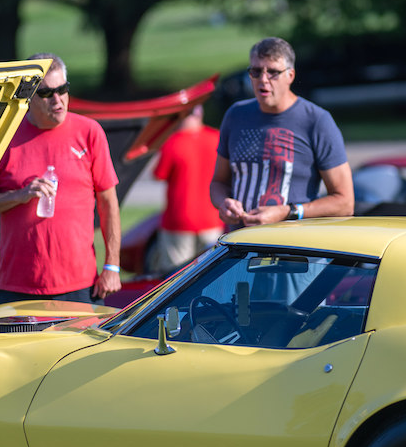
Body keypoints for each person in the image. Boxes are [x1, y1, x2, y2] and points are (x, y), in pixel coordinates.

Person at [0, 54, 122, 305]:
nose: (57, 99)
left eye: (62, 89)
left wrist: (112, 266)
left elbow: (109, 204)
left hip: (82, 285)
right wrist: (20, 195)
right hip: (18, 287)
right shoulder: (3, 138)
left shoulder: (90, 132)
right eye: (46, 93)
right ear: (29, 97)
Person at [211, 37, 353, 228]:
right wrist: (224, 203)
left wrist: (287, 212)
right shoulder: (236, 115)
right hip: (241, 242)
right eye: (256, 71)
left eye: (273, 72)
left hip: (290, 244)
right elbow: (218, 183)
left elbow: (345, 203)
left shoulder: (317, 120)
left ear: (290, 75)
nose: (263, 79)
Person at [147, 104, 223, 272]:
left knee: (176, 274)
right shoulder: (217, 137)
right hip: (212, 218)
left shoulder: (173, 142)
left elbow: (158, 175)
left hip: (179, 219)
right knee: (212, 273)